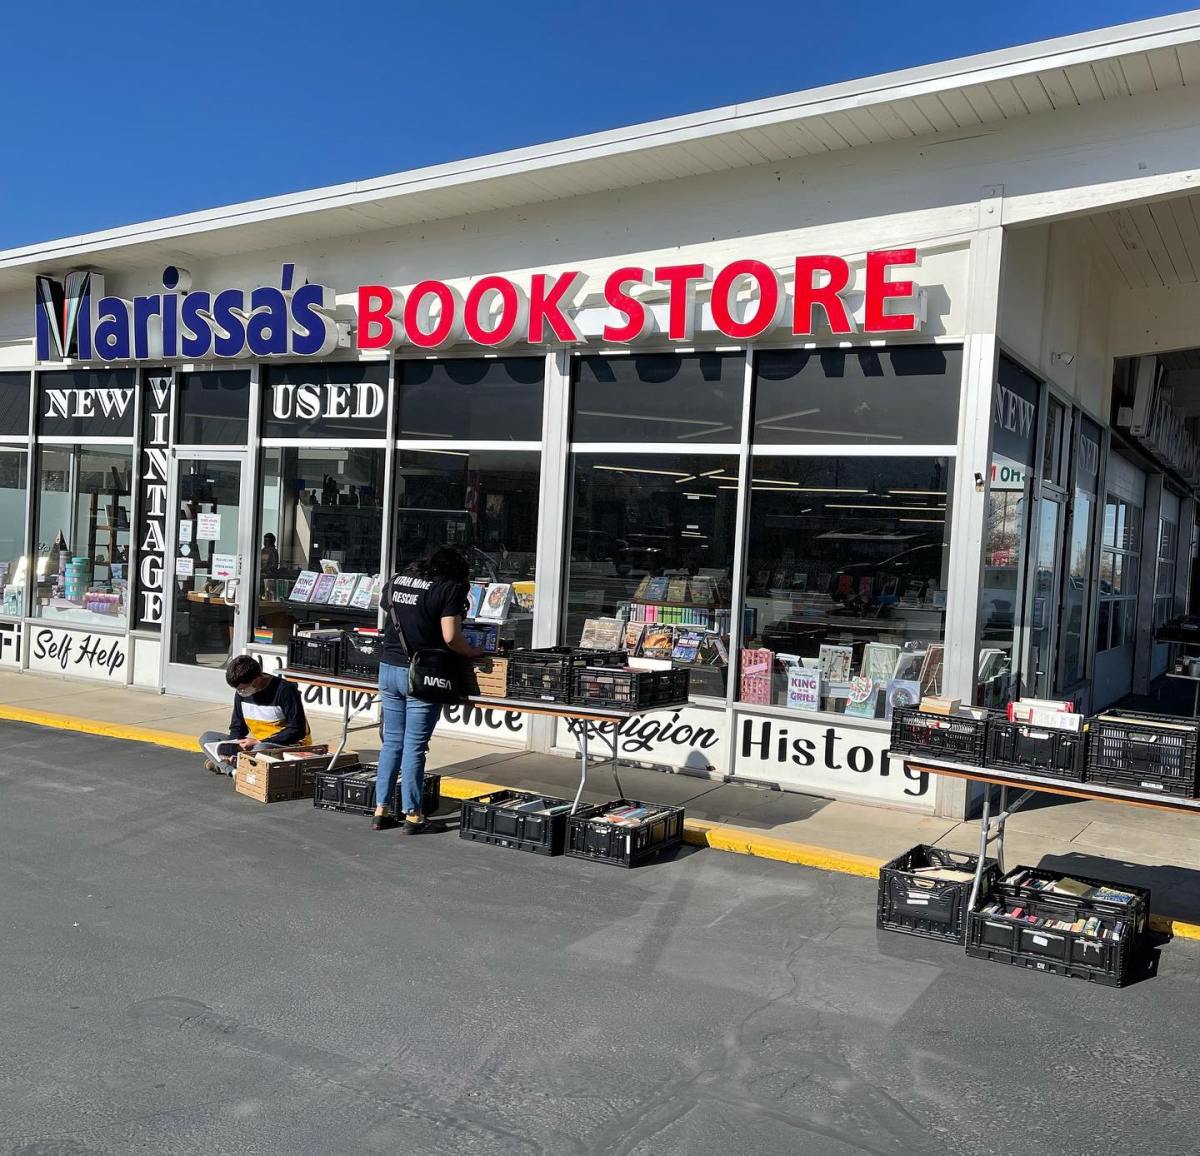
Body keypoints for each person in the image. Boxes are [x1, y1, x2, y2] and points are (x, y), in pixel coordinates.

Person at [374, 547, 484, 832]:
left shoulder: (399, 579)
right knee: (414, 747)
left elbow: (389, 608)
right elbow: (450, 636)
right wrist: (470, 651)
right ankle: (413, 815)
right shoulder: (450, 587)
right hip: (423, 674)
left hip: (388, 667)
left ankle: (381, 809)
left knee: (392, 743)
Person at [199, 655, 311, 774]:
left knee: (260, 750)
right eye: (238, 689)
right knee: (207, 738)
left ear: (257, 679)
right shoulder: (242, 694)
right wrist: (231, 748)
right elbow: (237, 728)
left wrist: (259, 742)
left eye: (243, 688)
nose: (240, 692)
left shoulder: (285, 690)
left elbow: (297, 730)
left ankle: (230, 766)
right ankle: (234, 771)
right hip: (254, 744)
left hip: (283, 745)